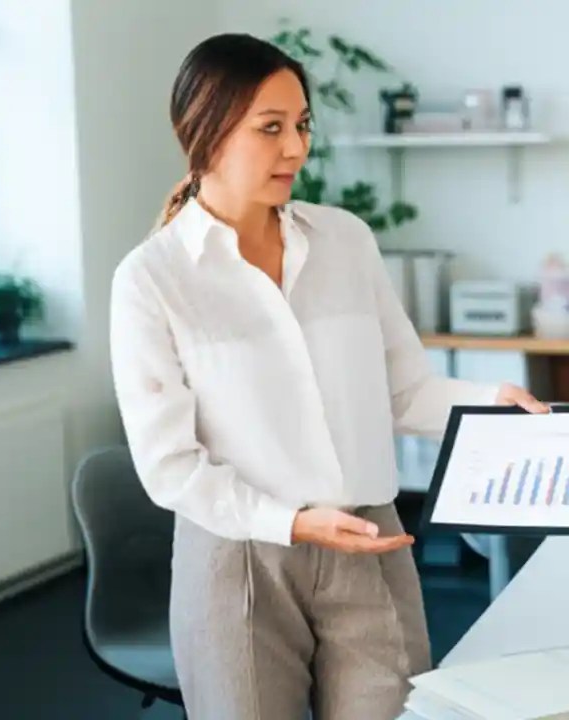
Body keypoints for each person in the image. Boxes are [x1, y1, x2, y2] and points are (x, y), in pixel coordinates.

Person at [108, 33, 548, 719]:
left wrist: (494, 401)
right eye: (272, 128)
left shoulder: (345, 240)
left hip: (369, 543)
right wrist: (291, 522)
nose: (296, 148)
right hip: (240, 559)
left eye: (303, 125)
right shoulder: (152, 279)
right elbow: (170, 467)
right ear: (206, 131)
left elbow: (405, 390)